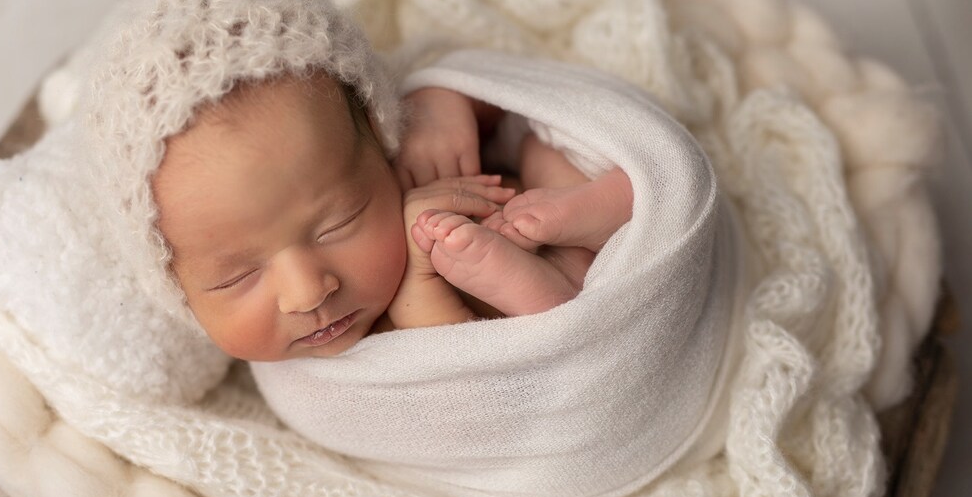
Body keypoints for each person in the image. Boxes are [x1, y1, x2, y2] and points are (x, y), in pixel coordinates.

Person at [150, 67, 633, 362]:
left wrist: (441, 105)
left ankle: (609, 203)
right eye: (234, 277)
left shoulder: (409, 156)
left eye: (338, 222)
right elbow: (465, 401)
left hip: (552, 226)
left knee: (539, 146)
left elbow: (510, 89)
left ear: (384, 152)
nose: (308, 291)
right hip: (528, 344)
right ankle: (548, 299)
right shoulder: (314, 384)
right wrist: (416, 285)